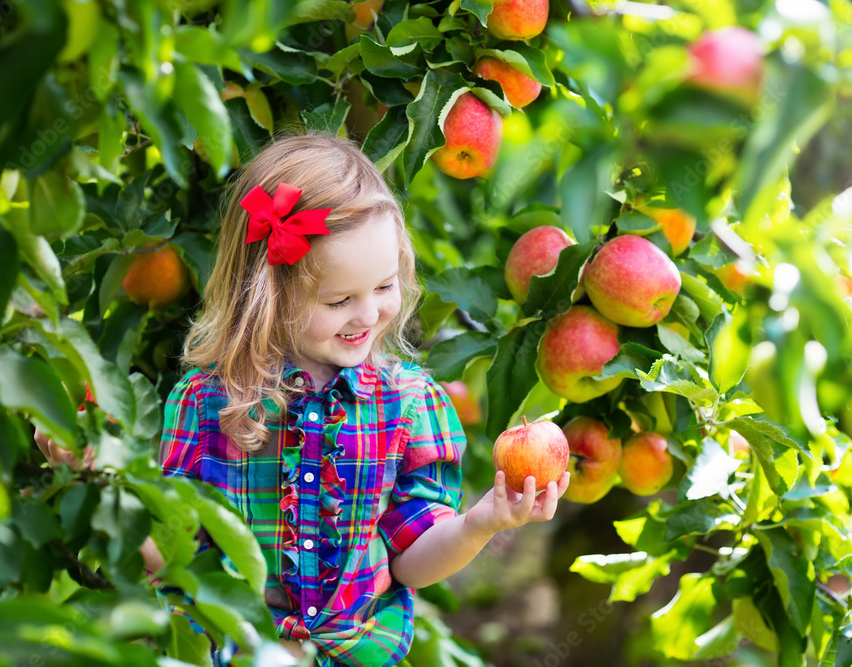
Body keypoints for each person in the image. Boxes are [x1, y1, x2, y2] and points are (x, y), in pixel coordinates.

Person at [35, 134, 570, 666]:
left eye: (385, 287)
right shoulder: (208, 403)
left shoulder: (408, 405)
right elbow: (175, 555)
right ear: (269, 296)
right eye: (340, 300)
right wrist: (101, 479)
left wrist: (482, 522)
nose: (368, 314)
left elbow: (409, 560)